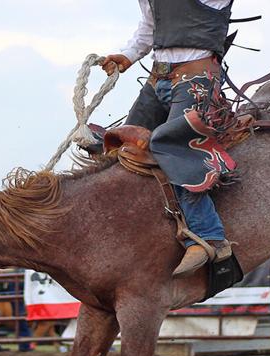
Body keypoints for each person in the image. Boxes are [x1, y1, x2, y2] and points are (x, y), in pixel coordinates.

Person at [99, 0, 239, 276]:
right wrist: (128, 55)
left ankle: (209, 236)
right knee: (123, 146)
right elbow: (150, 26)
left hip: (198, 77)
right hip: (159, 76)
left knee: (175, 143)